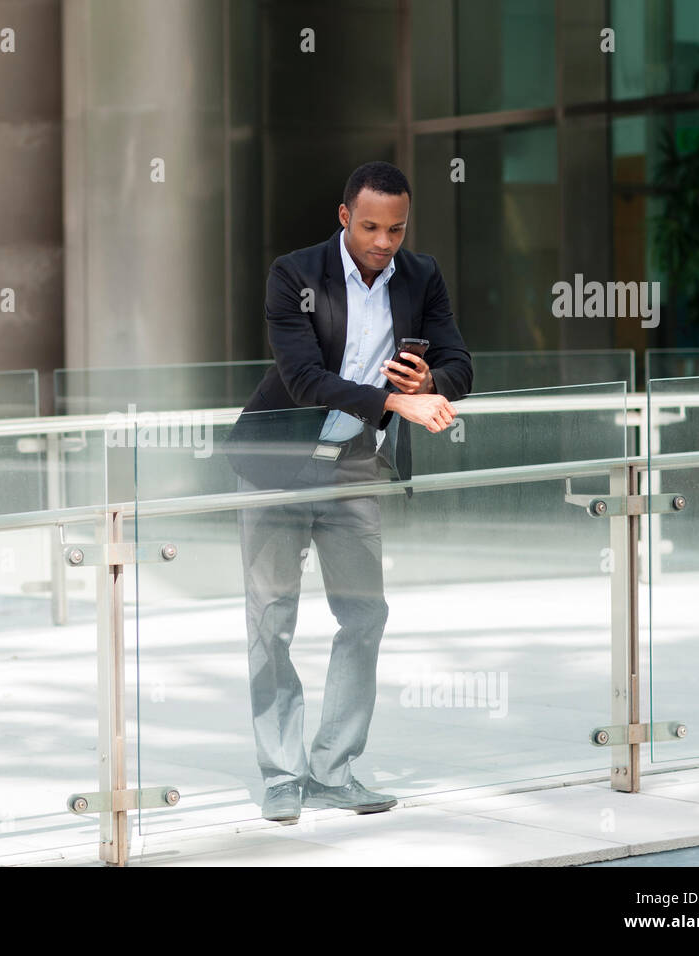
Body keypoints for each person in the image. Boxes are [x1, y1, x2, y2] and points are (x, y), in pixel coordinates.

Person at [221, 161, 473, 824]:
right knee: (271, 620)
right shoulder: (294, 275)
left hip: (356, 463)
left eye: (395, 228)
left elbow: (461, 364)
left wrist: (426, 382)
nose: (384, 241)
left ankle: (334, 769)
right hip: (277, 462)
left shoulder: (421, 276)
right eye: (369, 227)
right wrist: (396, 399)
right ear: (343, 218)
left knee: (365, 616)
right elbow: (303, 379)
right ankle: (281, 771)